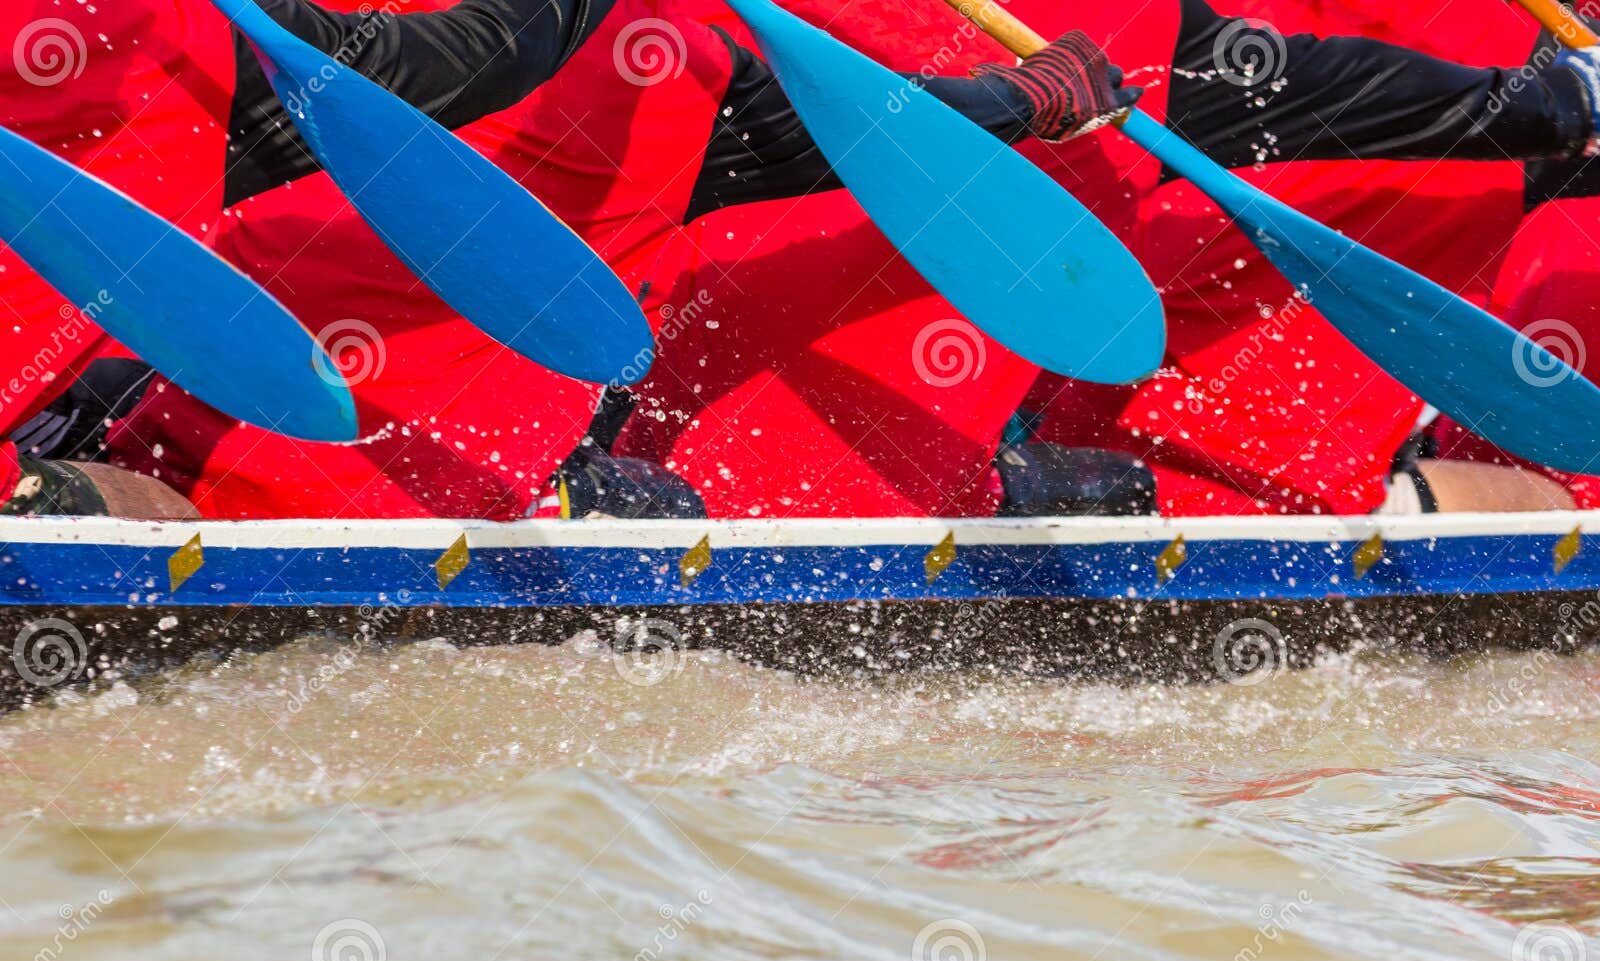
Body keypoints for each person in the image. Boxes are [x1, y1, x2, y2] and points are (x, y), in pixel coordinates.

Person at [102, 0, 1143, 519]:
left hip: (191, 454)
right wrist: (1031, 99)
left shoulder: (657, 53)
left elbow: (869, 138)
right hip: (332, 488)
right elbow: (876, 142)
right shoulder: (663, 62)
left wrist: (1023, 97)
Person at [605, 0, 1600, 518]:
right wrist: (1019, 103)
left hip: (924, 494)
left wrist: (1557, 109)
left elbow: (1308, 91)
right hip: (703, 491)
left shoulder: (1153, 37)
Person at [1, 0, 612, 515]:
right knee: (166, 515)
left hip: (139, 405)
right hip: (277, 473)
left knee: (120, 398)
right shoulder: (158, 42)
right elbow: (490, 57)